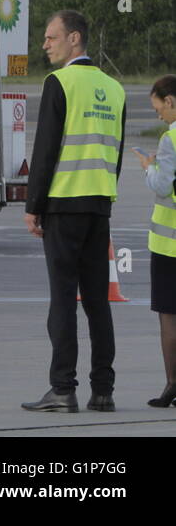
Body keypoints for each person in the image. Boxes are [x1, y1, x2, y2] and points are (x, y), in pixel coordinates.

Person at [21, 9, 125, 412]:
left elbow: (45, 149)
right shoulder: (114, 88)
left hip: (64, 205)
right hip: (99, 205)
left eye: (52, 37)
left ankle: (63, 388)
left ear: (75, 39)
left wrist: (34, 205)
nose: (45, 44)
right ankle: (104, 390)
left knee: (63, 299)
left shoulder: (60, 82)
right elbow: (113, 154)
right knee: (97, 301)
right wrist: (104, 192)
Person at [136, 74, 176, 406]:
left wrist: (149, 167)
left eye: (158, 108)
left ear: (171, 101)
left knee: (169, 317)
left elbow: (163, 187)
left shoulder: (171, 139)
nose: (158, 115)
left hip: (169, 244)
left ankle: (172, 384)